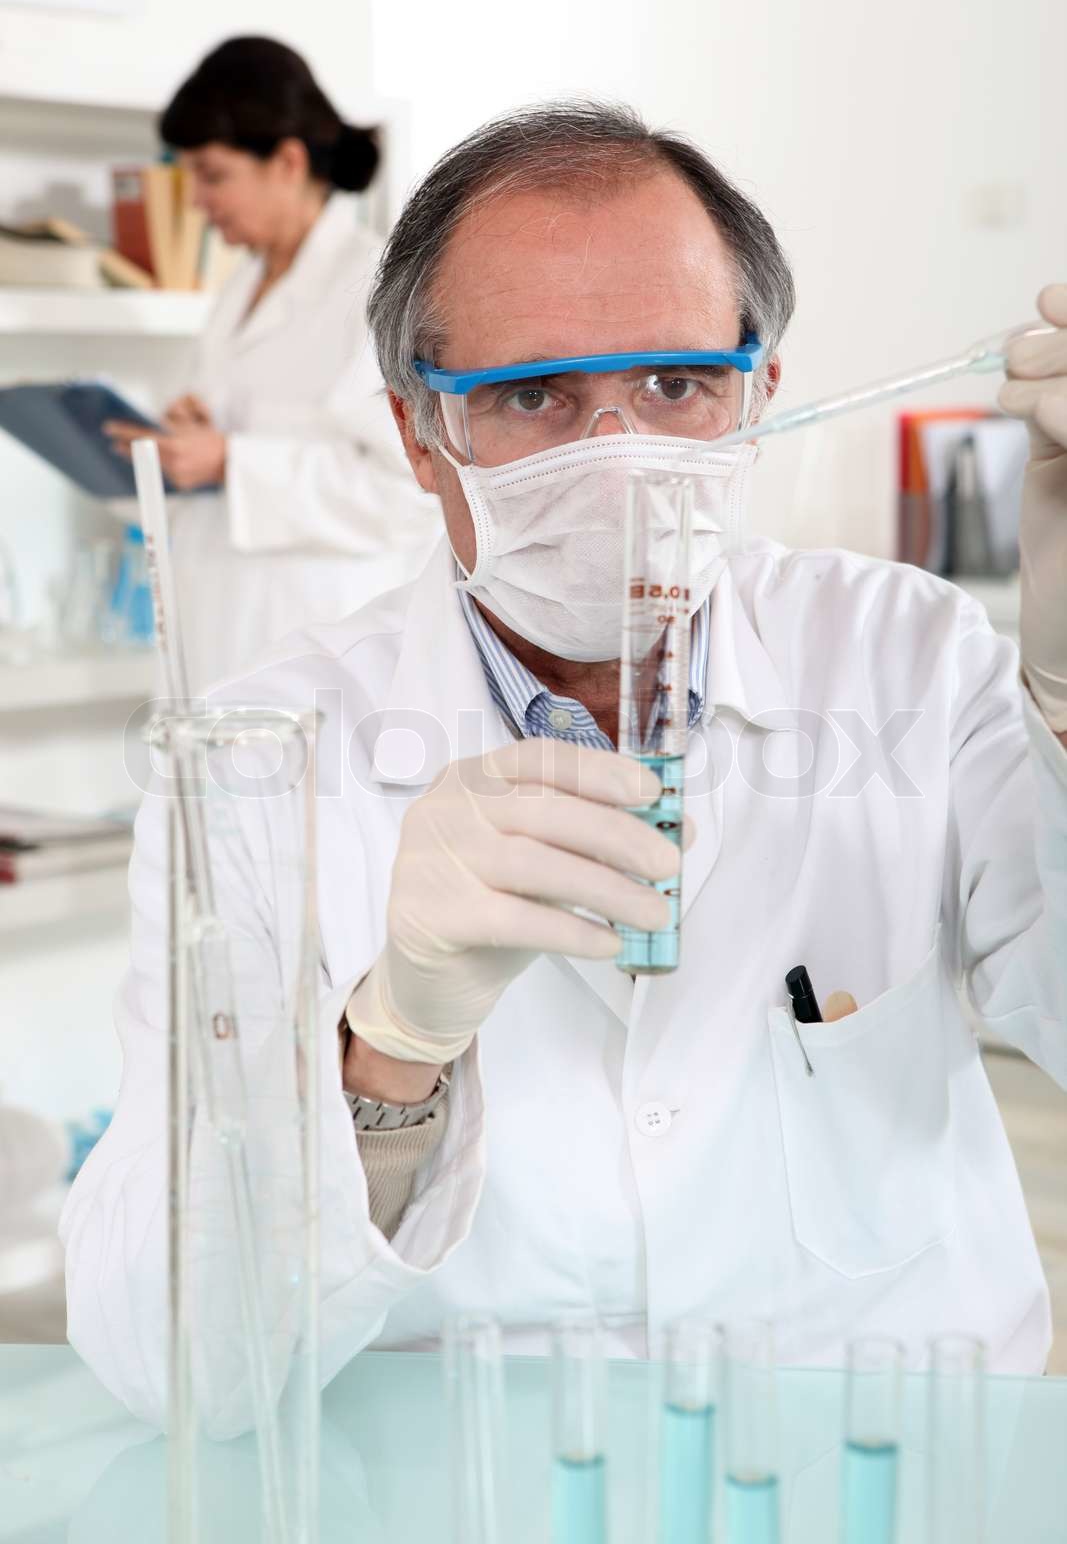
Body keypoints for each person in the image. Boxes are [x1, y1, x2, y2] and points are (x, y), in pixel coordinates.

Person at [64, 101, 1067, 1424]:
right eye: (532, 394)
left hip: (885, 1466)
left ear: (759, 393)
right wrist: (387, 1048)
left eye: (673, 386)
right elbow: (179, 1363)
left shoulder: (907, 661)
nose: (619, 460)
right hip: (465, 1486)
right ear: (422, 438)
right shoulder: (258, 757)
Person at [105, 36, 440, 690]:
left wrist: (232, 460)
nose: (197, 200)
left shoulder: (373, 287)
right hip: (220, 629)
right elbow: (256, 423)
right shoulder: (240, 286)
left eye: (212, 174)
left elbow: (410, 487)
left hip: (318, 649)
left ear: (286, 161)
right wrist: (195, 430)